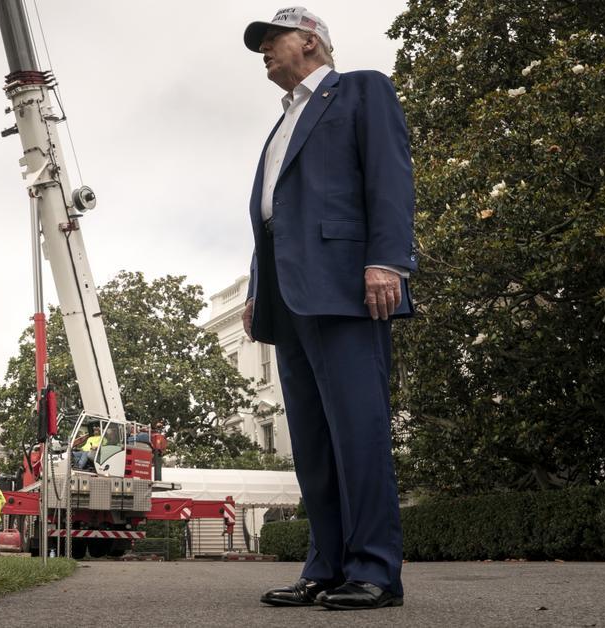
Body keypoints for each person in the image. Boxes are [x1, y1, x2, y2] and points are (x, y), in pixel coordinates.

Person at [241, 7, 415, 611]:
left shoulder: (361, 89)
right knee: (312, 443)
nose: (263, 50)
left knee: (357, 433)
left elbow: (389, 180)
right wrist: (257, 288)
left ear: (310, 41)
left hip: (347, 287)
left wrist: (387, 261)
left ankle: (374, 570)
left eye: (272, 39)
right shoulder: (279, 124)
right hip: (289, 300)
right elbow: (274, 216)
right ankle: (326, 565)